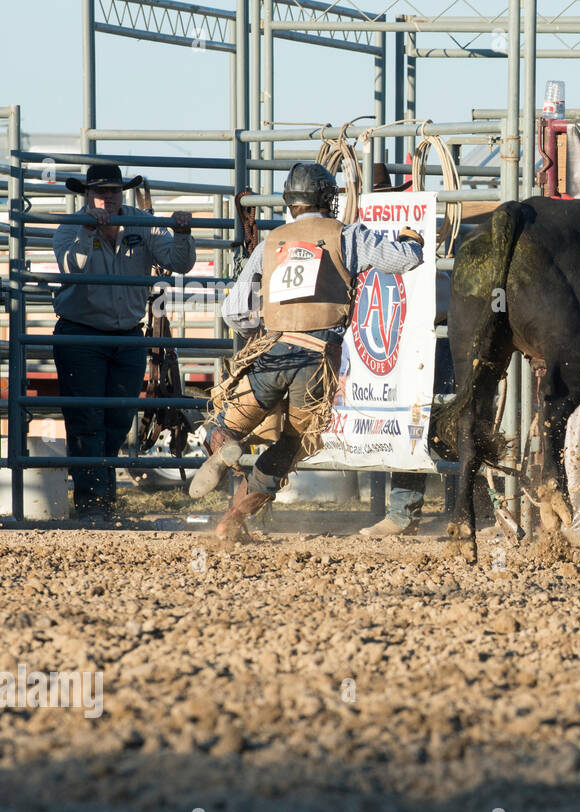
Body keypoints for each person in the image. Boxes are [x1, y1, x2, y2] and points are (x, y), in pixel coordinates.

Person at [188, 162, 424, 543]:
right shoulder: (345, 235)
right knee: (294, 443)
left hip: (274, 353)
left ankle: (224, 448)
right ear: (328, 200)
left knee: (225, 425)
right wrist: (413, 239)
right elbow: (405, 260)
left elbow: (233, 310)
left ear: (290, 202)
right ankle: (232, 518)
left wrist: (263, 332)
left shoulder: (270, 243)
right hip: (317, 361)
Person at [51, 163, 195, 521]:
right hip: (81, 333)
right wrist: (87, 233)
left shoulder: (142, 222)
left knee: (117, 418)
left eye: (113, 191)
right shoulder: (71, 227)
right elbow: (73, 270)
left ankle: (100, 501)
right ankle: (92, 504)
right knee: (87, 419)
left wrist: (181, 233)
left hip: (126, 335)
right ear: (87, 194)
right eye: (100, 192)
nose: (107, 199)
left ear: (122, 192)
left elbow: (180, 262)